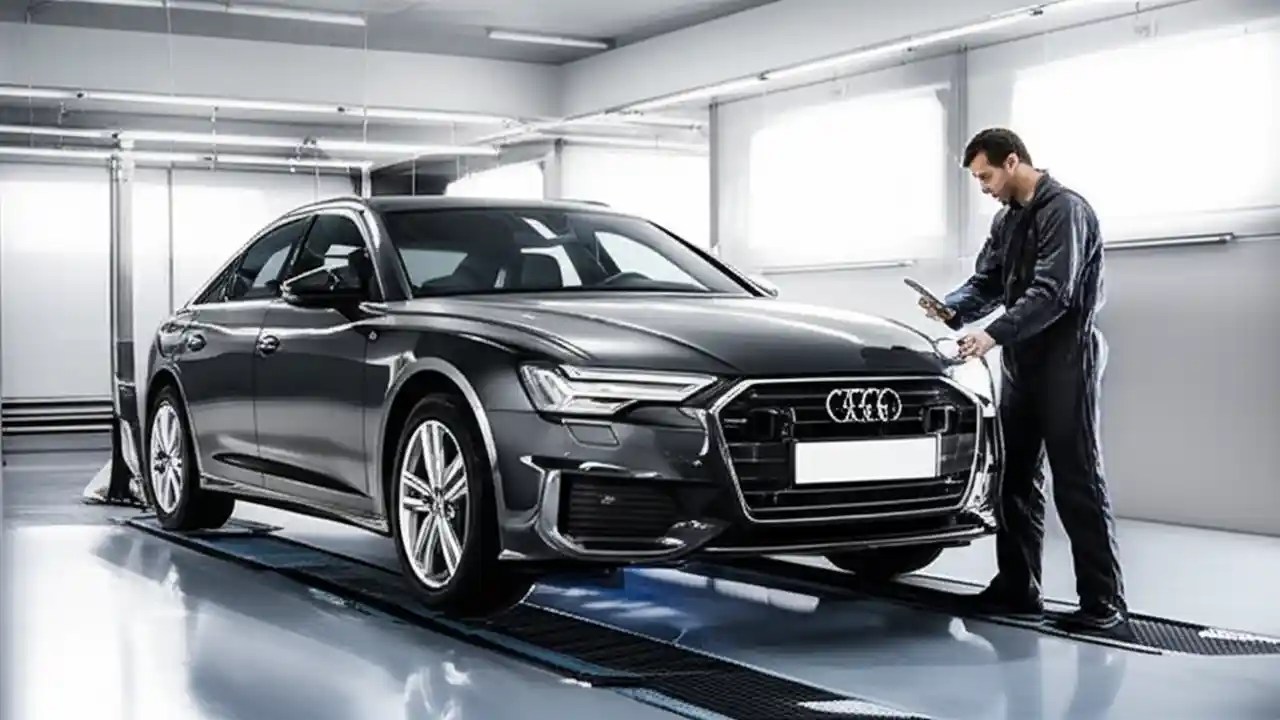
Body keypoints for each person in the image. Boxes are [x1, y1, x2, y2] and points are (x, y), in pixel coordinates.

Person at [922, 127, 1130, 637]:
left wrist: (990, 335)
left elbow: (1053, 292)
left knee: (1078, 479)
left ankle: (1103, 604)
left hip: (1066, 359)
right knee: (1013, 479)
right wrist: (953, 309)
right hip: (1021, 362)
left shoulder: (1066, 211)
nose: (984, 186)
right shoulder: (1006, 220)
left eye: (986, 175)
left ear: (1012, 161)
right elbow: (988, 282)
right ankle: (1018, 588)